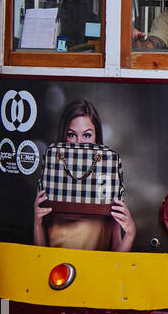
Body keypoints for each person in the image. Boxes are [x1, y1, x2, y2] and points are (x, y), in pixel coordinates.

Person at [33, 100, 135, 252]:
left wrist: (130, 233)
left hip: (98, 272)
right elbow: (40, 256)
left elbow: (116, 260)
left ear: (96, 137)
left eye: (86, 135)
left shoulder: (107, 182)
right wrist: (37, 222)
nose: (79, 142)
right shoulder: (52, 179)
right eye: (72, 135)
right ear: (64, 136)